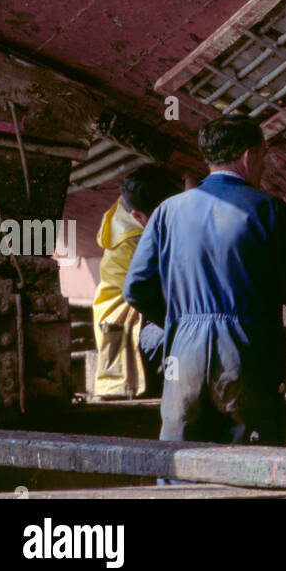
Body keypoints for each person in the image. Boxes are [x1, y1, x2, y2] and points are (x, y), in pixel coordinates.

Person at [123, 115, 286, 445]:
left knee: (182, 462)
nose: (262, 166)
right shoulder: (270, 210)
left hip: (183, 356)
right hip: (246, 356)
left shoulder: (166, 212)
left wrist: (181, 321)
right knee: (252, 466)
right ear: (249, 156)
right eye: (262, 156)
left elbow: (136, 288)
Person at [92, 165, 182, 400]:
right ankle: (177, 393)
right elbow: (156, 296)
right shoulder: (133, 241)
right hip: (131, 323)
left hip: (138, 315)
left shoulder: (131, 205)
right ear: (137, 217)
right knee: (180, 339)